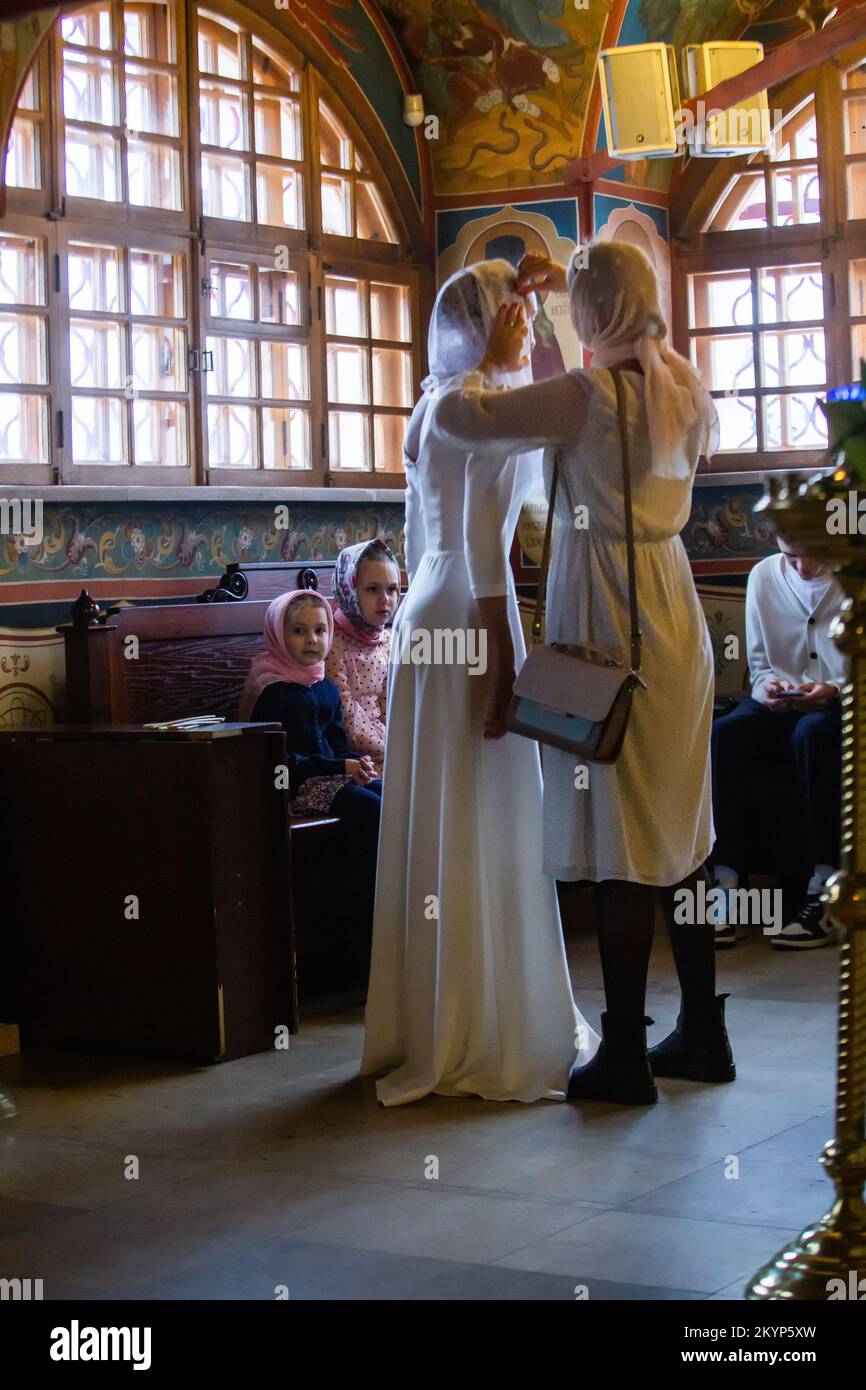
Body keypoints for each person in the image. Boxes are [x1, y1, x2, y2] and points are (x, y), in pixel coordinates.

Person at [433, 241, 733, 1104]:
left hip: (608, 613)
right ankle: (703, 1031)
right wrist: (565, 292)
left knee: (615, 841)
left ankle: (625, 1054)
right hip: (674, 614)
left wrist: (484, 361)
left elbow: (466, 421)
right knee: (682, 838)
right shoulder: (680, 384)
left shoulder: (590, 396)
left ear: (593, 314)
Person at [361, 259, 598, 1107]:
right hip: (470, 616)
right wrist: (506, 674)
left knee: (440, 810)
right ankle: (488, 1027)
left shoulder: (430, 406)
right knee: (484, 817)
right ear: (489, 327)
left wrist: (522, 314)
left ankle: (431, 1019)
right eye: (515, 318)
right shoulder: (476, 411)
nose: (527, 332)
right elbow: (494, 566)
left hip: (423, 614)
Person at [711, 525, 844, 950]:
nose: (803, 567)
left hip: (843, 705)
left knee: (813, 733)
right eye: (791, 556)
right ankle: (727, 884)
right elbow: (760, 665)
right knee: (725, 734)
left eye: (813, 555)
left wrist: (835, 690)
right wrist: (766, 690)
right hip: (785, 702)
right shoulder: (763, 576)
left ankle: (821, 890)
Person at [240, 590, 382, 956]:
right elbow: (278, 763)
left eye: (320, 630)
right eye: (299, 631)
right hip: (291, 788)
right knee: (369, 810)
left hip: (327, 780)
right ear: (277, 634)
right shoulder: (271, 690)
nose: (312, 640)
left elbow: (337, 744)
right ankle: (362, 927)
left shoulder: (324, 686)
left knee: (387, 794)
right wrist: (340, 768)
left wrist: (357, 765)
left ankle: (389, 915)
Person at [325, 539, 401, 780]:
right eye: (372, 589)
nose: (385, 599)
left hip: (391, 750)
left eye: (391, 589)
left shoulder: (389, 640)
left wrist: (403, 744)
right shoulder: (332, 644)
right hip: (352, 760)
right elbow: (346, 715)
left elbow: (393, 704)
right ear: (349, 589)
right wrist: (390, 749)